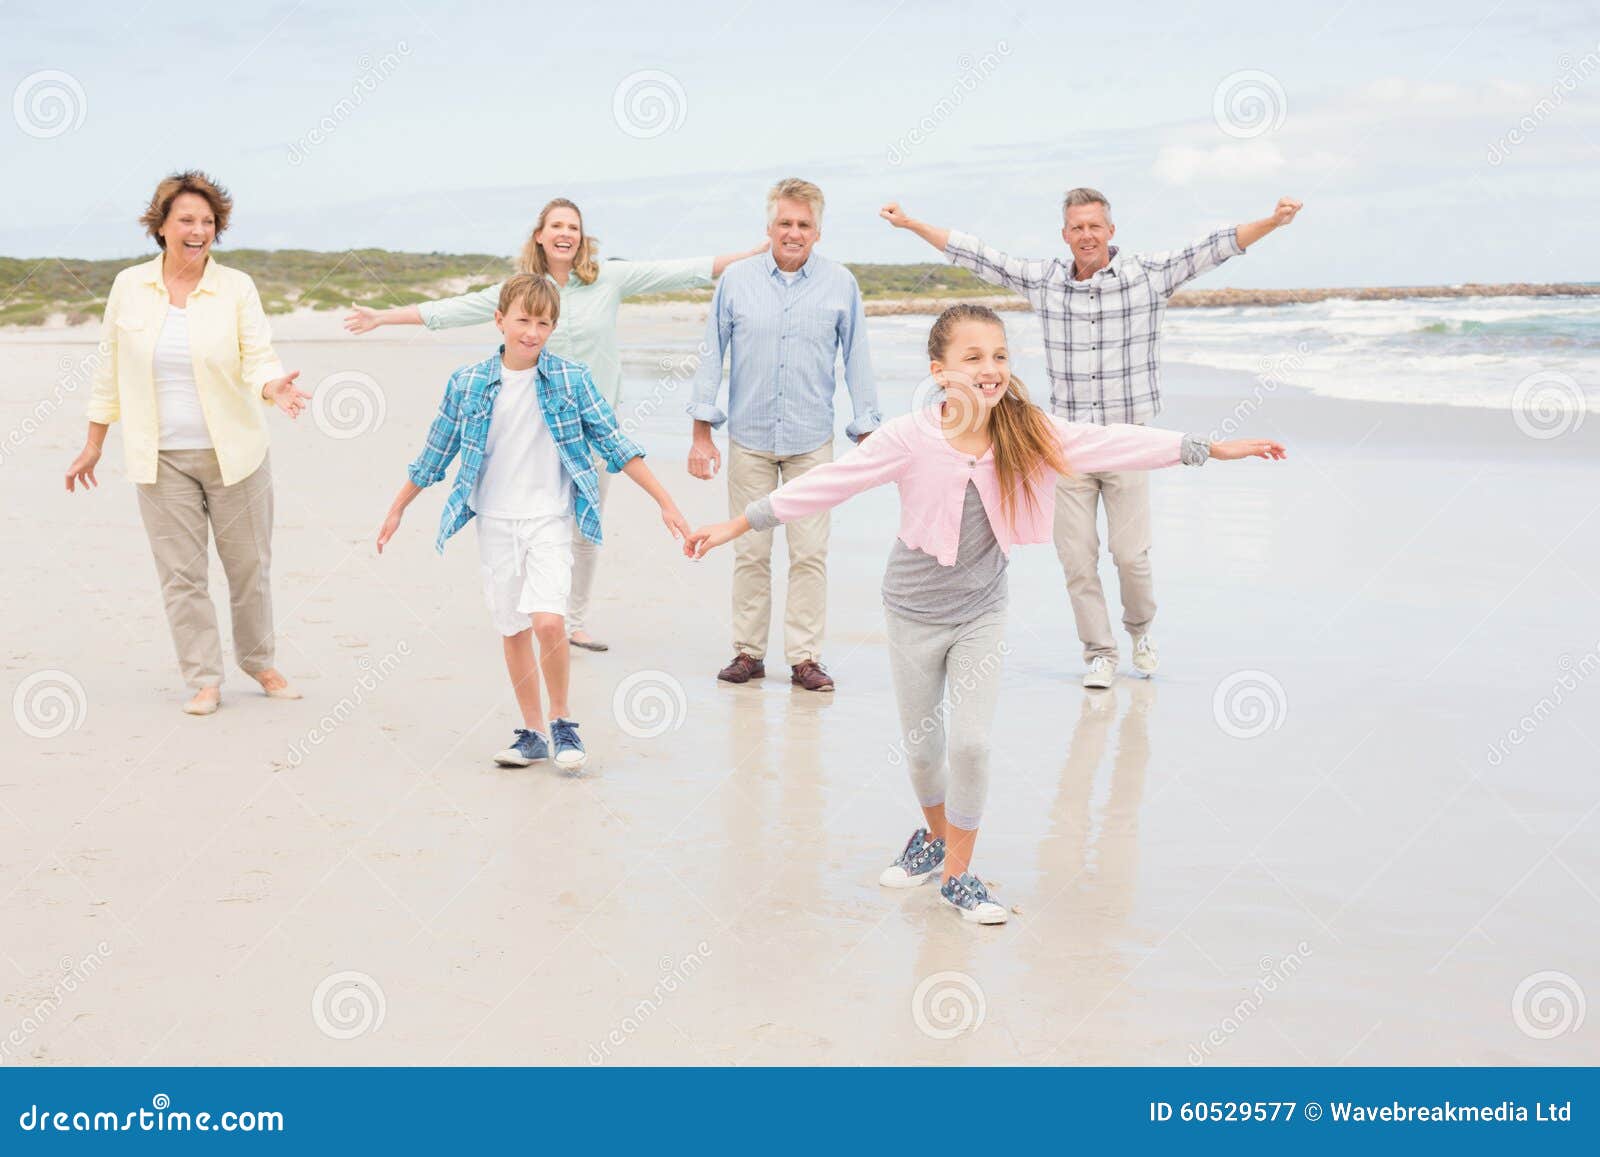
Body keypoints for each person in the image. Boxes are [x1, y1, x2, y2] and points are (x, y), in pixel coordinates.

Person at [686, 304, 1284, 924]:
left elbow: (1111, 440)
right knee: (923, 754)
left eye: (999, 356)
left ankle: (959, 877)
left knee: (970, 744)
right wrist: (738, 522)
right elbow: (829, 482)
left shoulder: (1026, 430)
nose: (990, 369)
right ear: (939, 371)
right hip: (911, 611)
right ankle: (935, 838)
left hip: (981, 610)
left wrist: (1205, 448)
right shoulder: (908, 437)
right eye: (973, 358)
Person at [881, 190, 1302, 688]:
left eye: (1095, 226)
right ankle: (1098, 653)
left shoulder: (1148, 275)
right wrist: (911, 224)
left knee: (1129, 555)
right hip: (1066, 448)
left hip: (1127, 443)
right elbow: (975, 254)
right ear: (1065, 235)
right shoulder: (1046, 283)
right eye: (1077, 227)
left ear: (1110, 232)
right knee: (1077, 559)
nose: (1086, 235)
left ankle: (1140, 630)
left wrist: (1273, 223)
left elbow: (1215, 247)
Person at [347, 198, 764, 653]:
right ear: (540, 235)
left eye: (574, 227)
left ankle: (572, 620)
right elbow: (454, 309)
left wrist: (748, 257)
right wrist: (383, 316)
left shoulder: (609, 279)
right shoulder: (521, 290)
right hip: (533, 422)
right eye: (557, 225)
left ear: (582, 238)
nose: (566, 233)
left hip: (593, 425)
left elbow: (680, 271)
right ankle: (534, 610)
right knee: (536, 518)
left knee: (585, 525)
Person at [376, 275, 690, 771]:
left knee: (548, 621)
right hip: (495, 523)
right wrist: (398, 506)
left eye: (544, 322)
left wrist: (666, 503)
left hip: (549, 519)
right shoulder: (468, 382)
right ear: (499, 320)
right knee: (513, 627)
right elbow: (436, 453)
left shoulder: (571, 378)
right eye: (523, 320)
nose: (533, 331)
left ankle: (563, 722)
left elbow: (616, 443)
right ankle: (532, 732)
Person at [65, 170, 311, 716]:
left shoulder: (236, 287)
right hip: (159, 458)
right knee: (182, 576)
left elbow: (258, 355)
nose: (198, 230)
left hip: (237, 453)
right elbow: (108, 368)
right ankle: (204, 679)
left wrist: (273, 386)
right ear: (162, 226)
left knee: (249, 568)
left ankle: (259, 661)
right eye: (187, 220)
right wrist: (94, 443)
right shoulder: (130, 287)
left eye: (208, 221)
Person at [687, 178, 882, 693]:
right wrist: (701, 433)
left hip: (811, 443)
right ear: (769, 227)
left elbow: (857, 357)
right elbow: (712, 355)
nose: (793, 232)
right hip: (749, 438)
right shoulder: (737, 281)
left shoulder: (842, 284)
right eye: (785, 223)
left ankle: (804, 659)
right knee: (750, 552)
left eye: (804, 224)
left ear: (818, 230)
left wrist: (869, 431)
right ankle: (748, 654)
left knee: (810, 554)